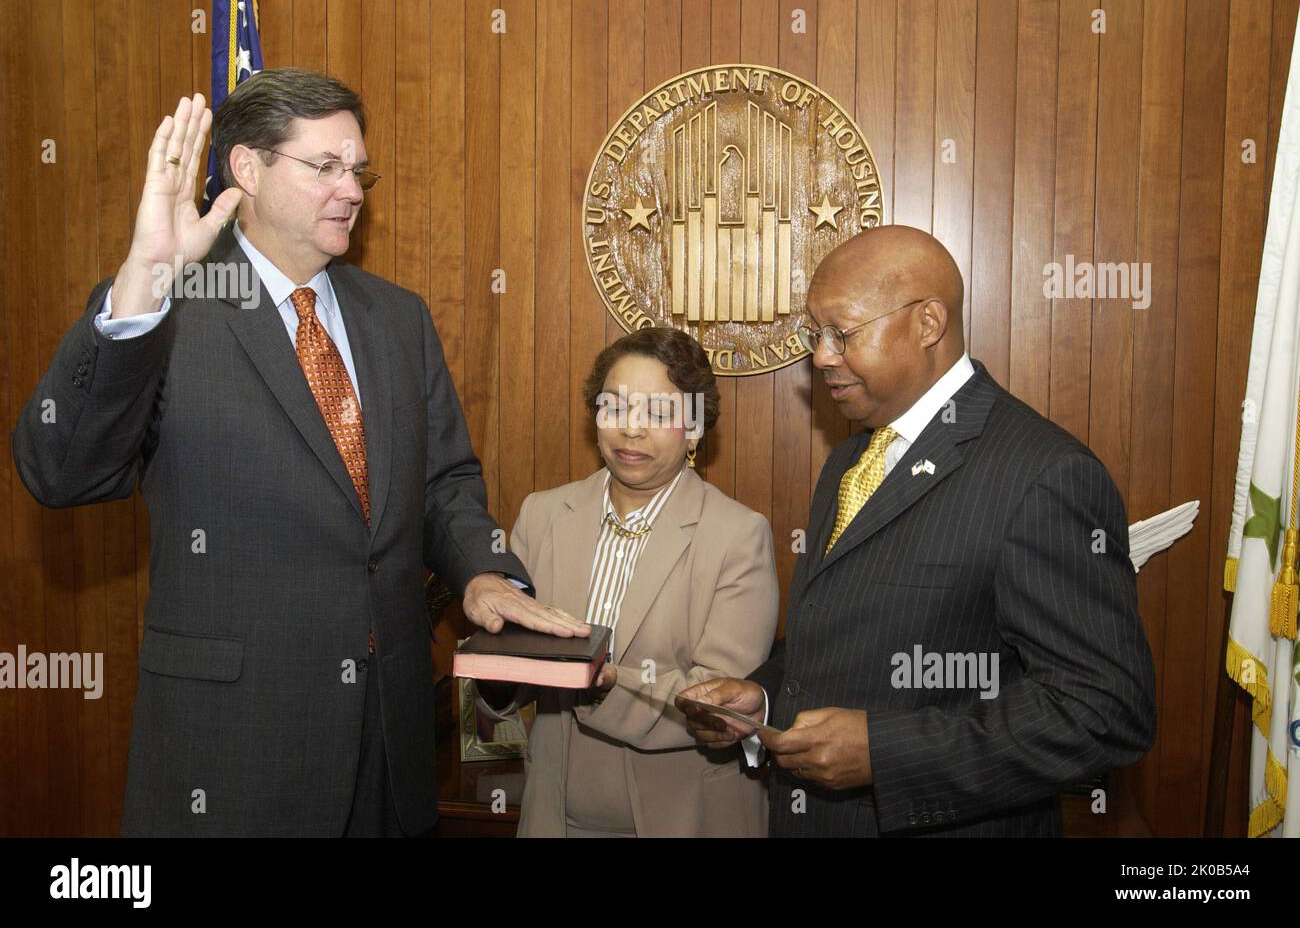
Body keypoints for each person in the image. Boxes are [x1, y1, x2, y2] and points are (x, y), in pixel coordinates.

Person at [11, 69, 586, 837]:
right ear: (247, 168)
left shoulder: (398, 318)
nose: (352, 190)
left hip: (389, 743)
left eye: (360, 171)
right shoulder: (166, 307)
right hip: (235, 751)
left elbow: (445, 480)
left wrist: (479, 568)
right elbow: (60, 470)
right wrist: (146, 277)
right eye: (326, 167)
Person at [678, 225, 1156, 836]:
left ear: (928, 324)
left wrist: (887, 752)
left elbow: (1105, 711)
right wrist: (765, 698)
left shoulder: (1043, 473)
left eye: (841, 333)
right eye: (814, 336)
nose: (821, 356)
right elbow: (846, 649)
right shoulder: (849, 462)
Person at [482, 328, 778, 836]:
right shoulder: (543, 514)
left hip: (684, 815)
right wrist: (495, 669)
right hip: (554, 812)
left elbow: (720, 704)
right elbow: (514, 678)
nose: (631, 430)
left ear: (695, 430)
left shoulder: (737, 535)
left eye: (659, 413)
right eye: (614, 407)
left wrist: (609, 685)